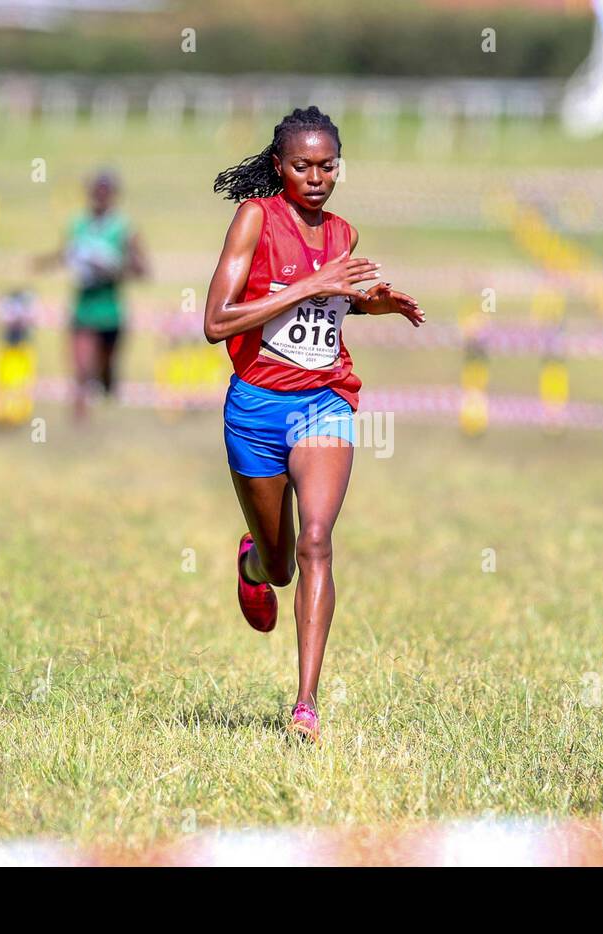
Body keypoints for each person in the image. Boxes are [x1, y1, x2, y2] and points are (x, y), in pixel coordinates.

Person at [203, 107, 425, 742]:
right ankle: (251, 567)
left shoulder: (343, 233)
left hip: (323, 401)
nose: (316, 177)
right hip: (255, 409)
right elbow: (216, 321)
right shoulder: (255, 219)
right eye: (302, 166)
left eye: (327, 166)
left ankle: (304, 705)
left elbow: (329, 311)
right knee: (280, 565)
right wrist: (311, 286)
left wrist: (368, 304)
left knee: (317, 539)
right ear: (280, 167)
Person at [36, 170, 149, 420]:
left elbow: (143, 271)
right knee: (81, 371)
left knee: (106, 372)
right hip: (83, 309)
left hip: (110, 311)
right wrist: (43, 263)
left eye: (105, 192)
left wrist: (113, 267)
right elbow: (65, 254)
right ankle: (79, 424)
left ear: (113, 195)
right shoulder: (77, 224)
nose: (99, 197)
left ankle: (108, 393)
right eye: (95, 191)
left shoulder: (125, 228)